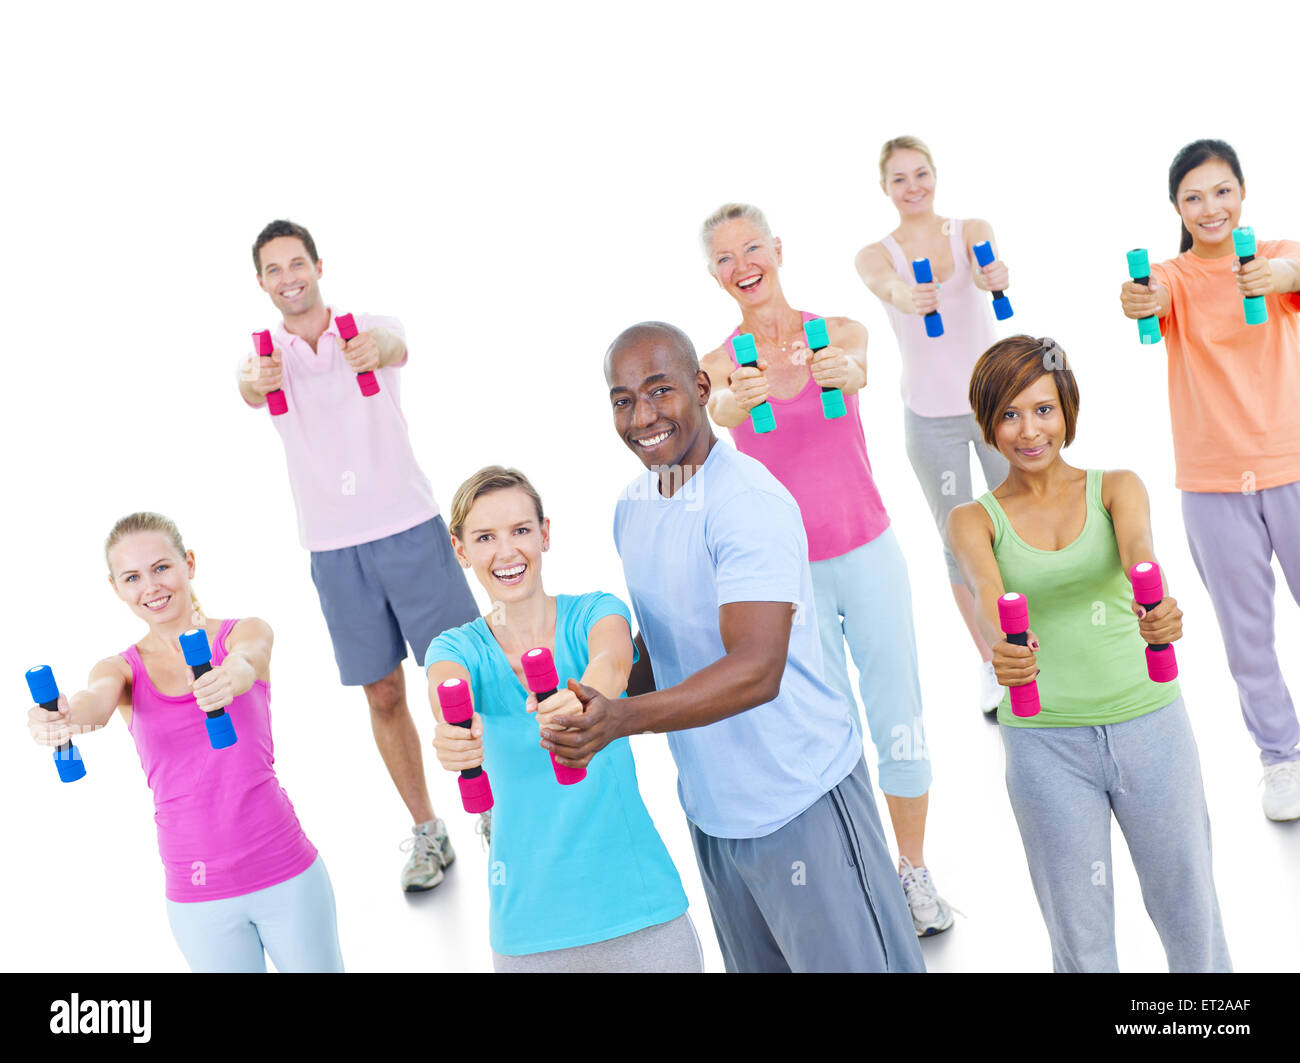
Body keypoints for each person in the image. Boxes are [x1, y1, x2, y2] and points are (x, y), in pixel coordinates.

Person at [541, 321, 925, 973]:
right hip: (715, 815)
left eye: (659, 390)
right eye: (624, 399)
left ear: (699, 387)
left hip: (803, 799)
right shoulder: (632, 507)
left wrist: (622, 721)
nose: (643, 415)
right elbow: (663, 648)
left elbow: (756, 669)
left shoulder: (745, 501)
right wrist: (583, 692)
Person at [698, 202, 953, 936]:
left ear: (777, 249)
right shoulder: (720, 366)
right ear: (714, 274)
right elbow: (715, 406)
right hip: (793, 579)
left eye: (752, 247)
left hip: (869, 550)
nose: (743, 264)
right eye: (725, 257)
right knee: (828, 734)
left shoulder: (837, 333)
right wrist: (728, 403)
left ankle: (913, 871)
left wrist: (851, 370)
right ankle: (867, 879)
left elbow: (861, 366)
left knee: (898, 717)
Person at [947, 335, 1230, 973]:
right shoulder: (973, 517)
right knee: (1079, 930)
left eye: (1044, 409)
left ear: (1068, 410)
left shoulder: (1116, 487)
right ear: (988, 423)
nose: (1029, 431)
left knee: (1188, 906)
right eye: (1010, 414)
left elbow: (1139, 551)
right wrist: (1002, 646)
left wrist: (1154, 601)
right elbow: (989, 592)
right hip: (1045, 745)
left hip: (1150, 724)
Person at [239, 219, 479, 889]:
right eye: (274, 269)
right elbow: (250, 388)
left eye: (298, 263)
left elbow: (396, 345)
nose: (289, 277)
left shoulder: (365, 326)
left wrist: (378, 347)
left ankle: (498, 809)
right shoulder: (265, 357)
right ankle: (429, 834)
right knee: (382, 692)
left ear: (318, 265)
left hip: (408, 525)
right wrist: (257, 381)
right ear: (262, 283)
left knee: (460, 677)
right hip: (335, 549)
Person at [26, 512, 344, 973]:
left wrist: (228, 679)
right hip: (197, 895)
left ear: (188, 563)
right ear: (116, 588)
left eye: (161, 567)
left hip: (286, 873)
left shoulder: (244, 631)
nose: (151, 587)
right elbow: (94, 701)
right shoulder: (120, 669)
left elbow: (248, 660)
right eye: (132, 577)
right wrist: (64, 716)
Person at [424, 466, 701, 972]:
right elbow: (445, 686)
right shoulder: (457, 647)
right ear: (461, 551)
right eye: (485, 537)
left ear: (545, 534)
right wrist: (451, 728)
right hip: (531, 935)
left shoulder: (595, 610)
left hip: (642, 913)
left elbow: (614, 662)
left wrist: (586, 698)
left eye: (521, 531)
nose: (507, 553)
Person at [1119, 138, 1300, 822]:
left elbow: (1296, 267)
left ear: (1243, 193)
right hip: (1214, 485)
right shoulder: (1174, 277)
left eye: (1222, 191)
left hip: (1293, 465)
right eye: (1193, 197)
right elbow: (1145, 295)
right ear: (1178, 208)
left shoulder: (1276, 255)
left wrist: (1279, 274)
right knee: (1247, 636)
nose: (1210, 207)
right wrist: (1137, 296)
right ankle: (1282, 759)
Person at [854, 135, 1012, 714]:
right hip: (930, 419)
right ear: (885, 188)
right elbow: (883, 285)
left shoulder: (968, 229)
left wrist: (995, 270)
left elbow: (990, 257)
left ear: (935, 176)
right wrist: (905, 294)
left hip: (995, 406)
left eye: (921, 174)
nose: (913, 186)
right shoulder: (878, 253)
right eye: (900, 178)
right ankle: (994, 661)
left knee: (1014, 522)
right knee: (960, 538)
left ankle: (1034, 639)